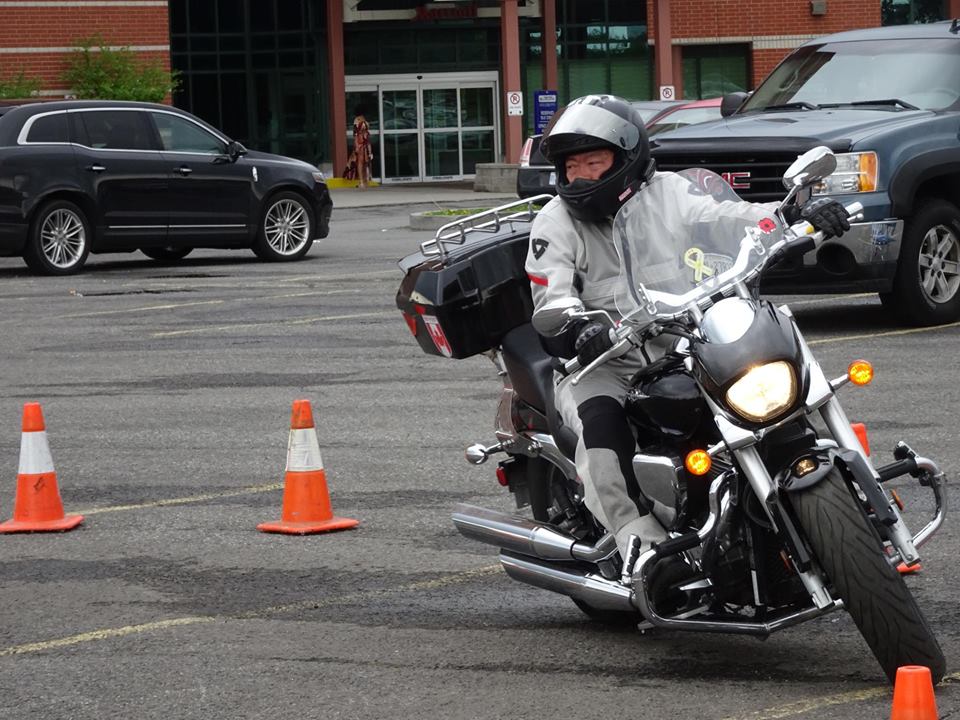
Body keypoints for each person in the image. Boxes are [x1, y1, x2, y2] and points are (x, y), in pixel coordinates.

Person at [524, 94, 851, 577]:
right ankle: (638, 539)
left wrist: (791, 220)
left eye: (593, 162)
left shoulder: (669, 194)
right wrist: (576, 325)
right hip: (604, 361)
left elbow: (730, 219)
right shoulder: (556, 221)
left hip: (685, 341)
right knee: (600, 434)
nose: (581, 177)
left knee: (779, 381)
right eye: (572, 166)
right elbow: (549, 296)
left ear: (627, 157)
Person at [352, 107, 373, 189]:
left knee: (364, 162)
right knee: (361, 162)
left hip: (364, 143)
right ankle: (361, 181)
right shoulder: (358, 120)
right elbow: (356, 134)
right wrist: (357, 145)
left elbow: (357, 133)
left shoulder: (360, 119)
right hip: (362, 143)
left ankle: (364, 180)